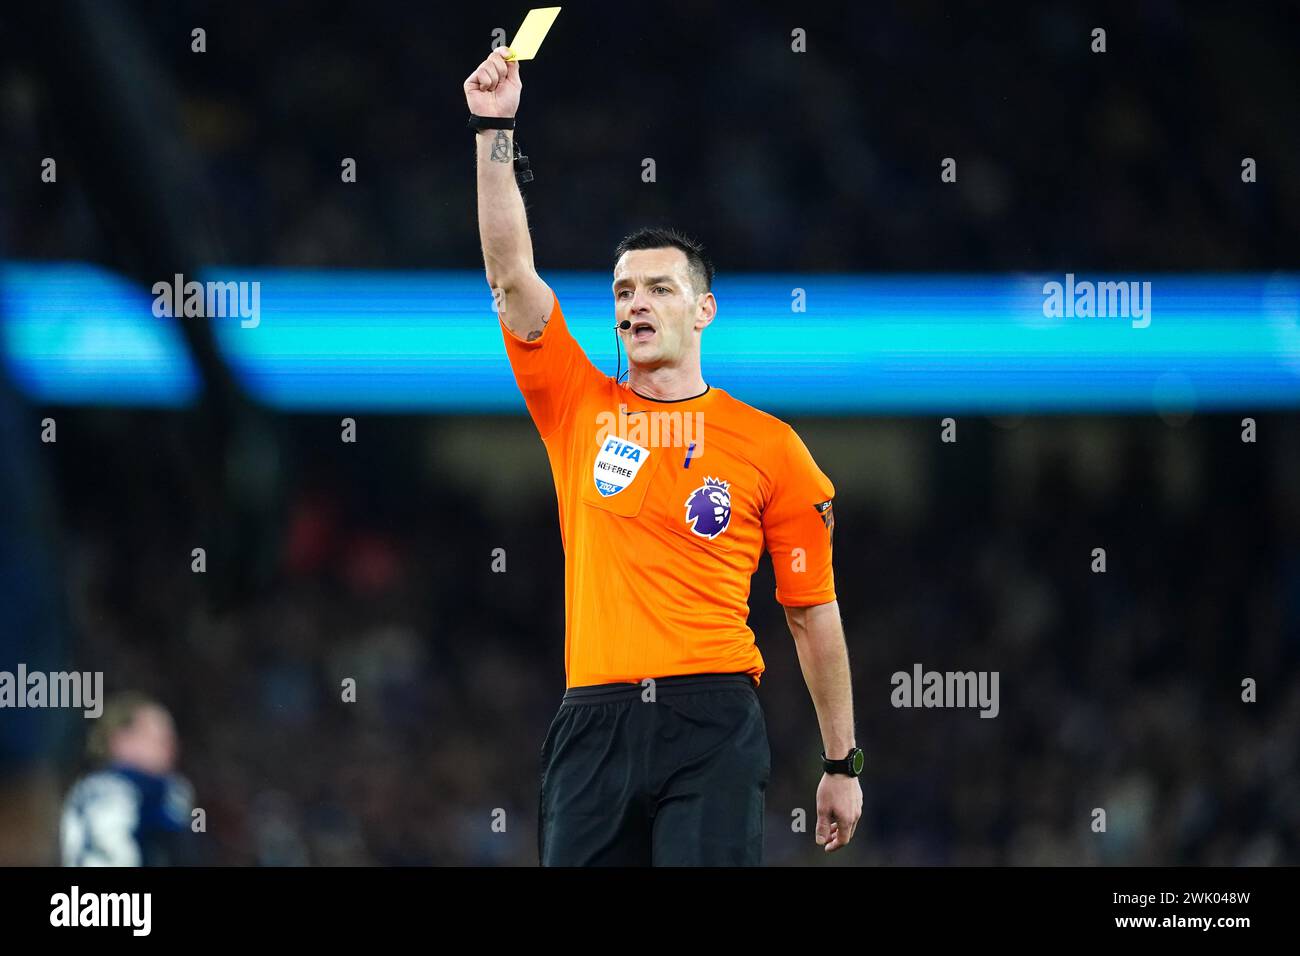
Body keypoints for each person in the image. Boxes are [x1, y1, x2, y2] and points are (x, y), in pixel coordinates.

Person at [465, 47, 862, 865]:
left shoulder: (772, 448)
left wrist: (840, 762)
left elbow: (810, 610)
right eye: (622, 292)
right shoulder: (576, 404)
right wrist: (493, 132)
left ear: (705, 310)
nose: (635, 305)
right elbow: (511, 276)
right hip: (592, 721)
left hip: (710, 716)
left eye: (659, 289)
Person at [60, 692, 195, 866]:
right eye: (158, 739)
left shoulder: (86, 788)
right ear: (121, 740)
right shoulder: (139, 790)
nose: (171, 747)